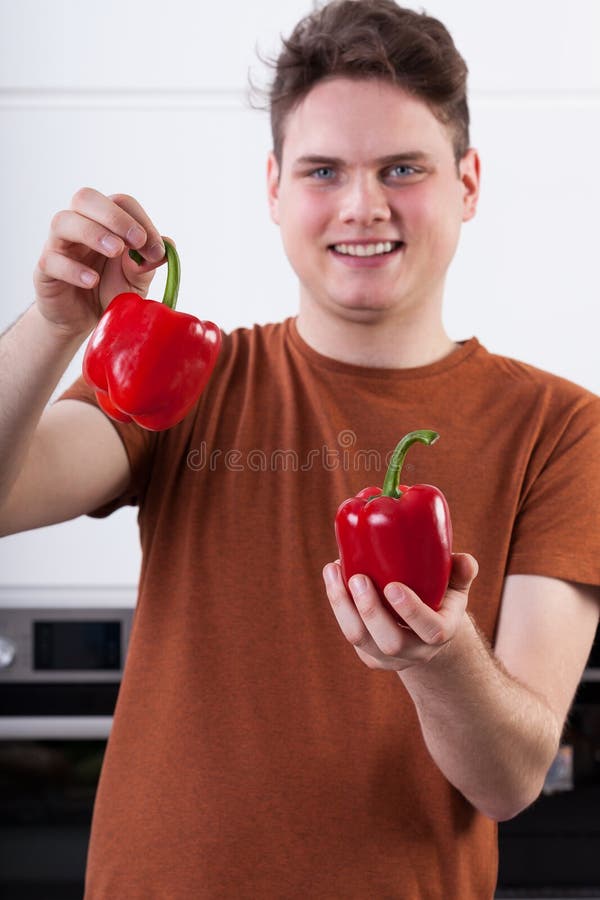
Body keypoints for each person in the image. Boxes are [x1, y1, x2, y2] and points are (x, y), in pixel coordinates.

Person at [1, 1, 599, 897]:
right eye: (325, 170)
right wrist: (49, 327)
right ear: (274, 188)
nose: (363, 205)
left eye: (404, 167)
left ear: (469, 183)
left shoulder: (565, 429)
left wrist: (440, 660)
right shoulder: (183, 378)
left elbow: (510, 780)